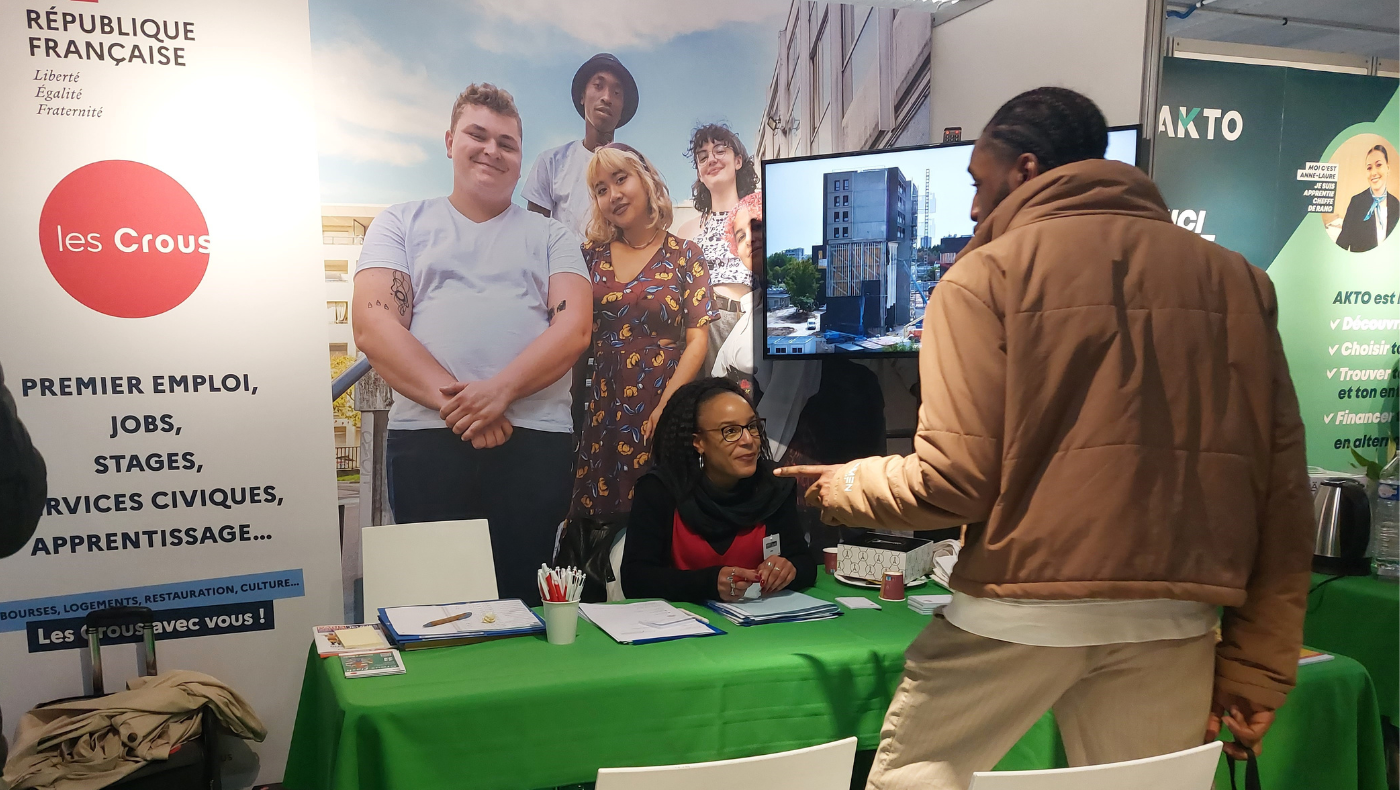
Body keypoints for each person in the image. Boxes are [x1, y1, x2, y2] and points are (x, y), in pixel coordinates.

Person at [778, 87, 1314, 788]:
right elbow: (1281, 492)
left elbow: (953, 481)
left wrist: (841, 486)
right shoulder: (1238, 282)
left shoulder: (983, 279)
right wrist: (1256, 667)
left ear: (1025, 168)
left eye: (978, 182)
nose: (973, 208)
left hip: (1019, 609)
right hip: (1176, 622)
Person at [352, 83, 592, 606]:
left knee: (523, 604)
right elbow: (374, 323)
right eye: (477, 135)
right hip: (428, 436)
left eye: (507, 143)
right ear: (449, 141)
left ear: (521, 156)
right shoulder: (401, 222)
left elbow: (573, 329)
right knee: (433, 607)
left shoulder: (553, 237)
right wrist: (462, 406)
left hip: (534, 438)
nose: (492, 151)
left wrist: (499, 393)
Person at [570, 143, 715, 519]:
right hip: (604, 402)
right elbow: (574, 337)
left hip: (663, 396)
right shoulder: (589, 256)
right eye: (601, 189)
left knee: (661, 514)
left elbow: (698, 341)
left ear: (646, 180)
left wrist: (666, 406)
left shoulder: (686, 254)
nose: (613, 195)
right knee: (601, 521)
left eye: (621, 179)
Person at [622, 378, 815, 603]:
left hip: (759, 627)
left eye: (751, 427)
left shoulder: (774, 486)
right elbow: (635, 580)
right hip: (681, 630)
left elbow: (805, 563)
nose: (748, 440)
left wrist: (789, 569)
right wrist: (709, 584)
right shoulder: (660, 490)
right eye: (730, 431)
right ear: (698, 442)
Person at [675, 124, 760, 376]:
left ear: (738, 161)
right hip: (706, 326)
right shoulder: (687, 231)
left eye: (720, 150)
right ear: (700, 174)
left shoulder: (760, 212)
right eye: (702, 157)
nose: (711, 159)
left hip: (751, 321)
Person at [523, 53, 639, 236]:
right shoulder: (551, 163)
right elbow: (534, 238)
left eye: (617, 93)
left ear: (622, 107)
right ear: (582, 96)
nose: (607, 98)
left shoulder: (635, 169)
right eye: (598, 86)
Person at [710, 190, 763, 384]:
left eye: (757, 227)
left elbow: (784, 402)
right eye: (740, 237)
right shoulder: (752, 307)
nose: (749, 239)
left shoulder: (792, 309)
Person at [1336, 144, 1397, 252]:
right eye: (1369, 168)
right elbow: (1342, 244)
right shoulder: (1356, 203)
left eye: (1378, 165)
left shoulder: (1396, 205)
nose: (1373, 173)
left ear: (1388, 168)